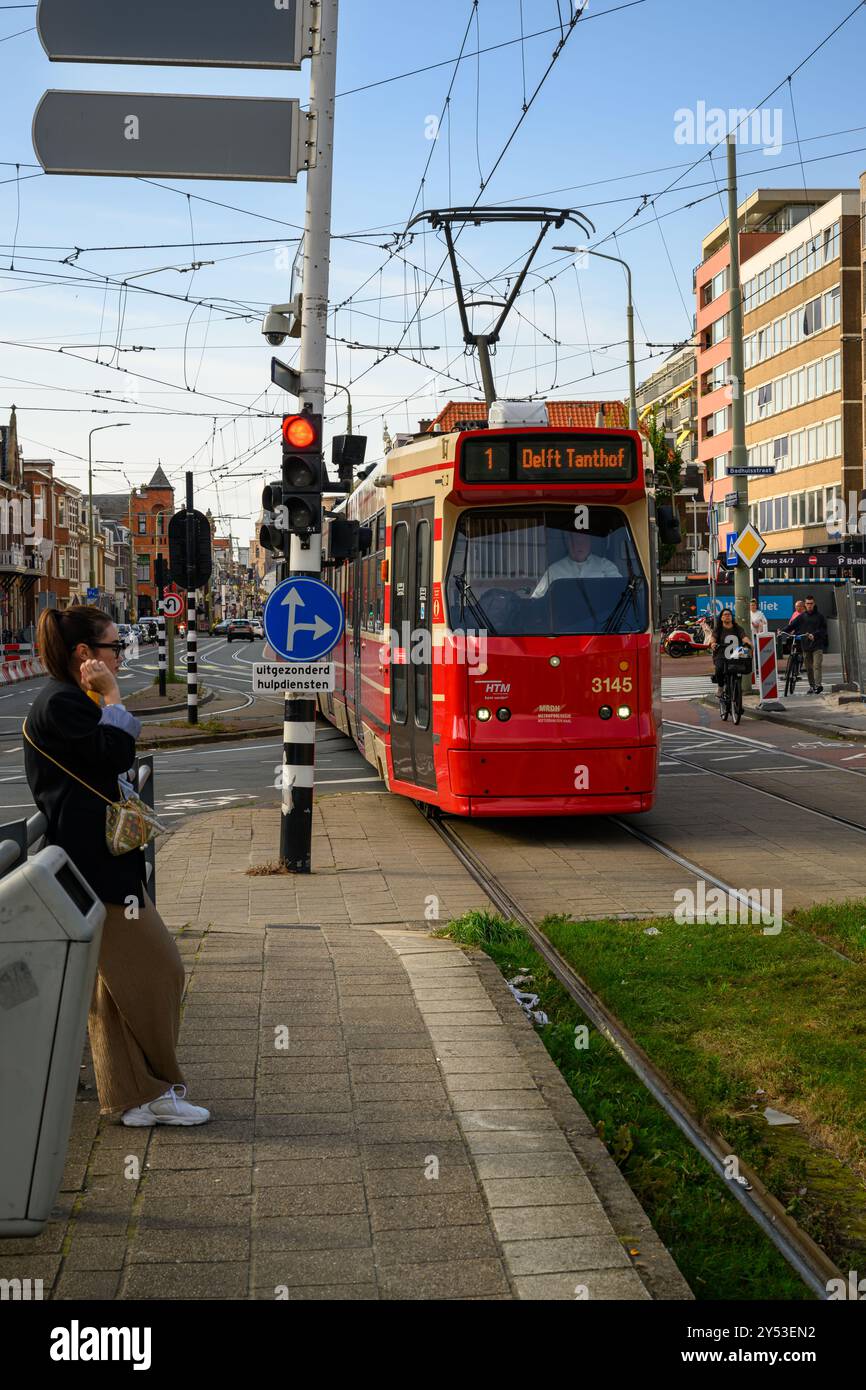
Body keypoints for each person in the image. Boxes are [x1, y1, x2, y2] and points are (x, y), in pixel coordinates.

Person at [23, 607, 210, 1128]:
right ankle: (160, 1086)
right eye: (113, 648)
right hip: (98, 869)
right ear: (85, 655)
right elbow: (114, 754)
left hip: (92, 865)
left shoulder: (63, 700)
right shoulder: (63, 703)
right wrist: (111, 696)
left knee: (112, 991)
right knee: (161, 973)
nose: (120, 656)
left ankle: (133, 1097)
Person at [530, 529, 620, 598]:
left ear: (590, 542)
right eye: (575, 541)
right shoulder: (554, 570)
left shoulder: (606, 566)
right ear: (568, 543)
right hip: (564, 620)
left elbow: (620, 593)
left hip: (604, 620)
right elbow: (536, 599)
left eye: (583, 541)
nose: (579, 545)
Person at [784, 594, 828, 693]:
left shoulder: (820, 617)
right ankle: (812, 686)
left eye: (811, 603)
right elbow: (791, 626)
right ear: (805, 604)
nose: (809, 605)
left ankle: (818, 685)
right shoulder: (802, 617)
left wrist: (814, 635)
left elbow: (823, 630)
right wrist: (782, 631)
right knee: (808, 668)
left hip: (817, 645)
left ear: (814, 604)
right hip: (805, 645)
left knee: (817, 665)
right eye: (807, 604)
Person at [709, 607, 752, 687]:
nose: (728, 616)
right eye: (725, 615)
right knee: (719, 670)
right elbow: (713, 638)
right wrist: (713, 644)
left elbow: (744, 637)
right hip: (721, 653)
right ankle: (720, 688)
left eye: (729, 614)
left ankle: (738, 685)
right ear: (721, 618)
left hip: (736, 653)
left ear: (732, 617)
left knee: (745, 661)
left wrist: (748, 643)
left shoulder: (738, 628)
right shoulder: (718, 629)